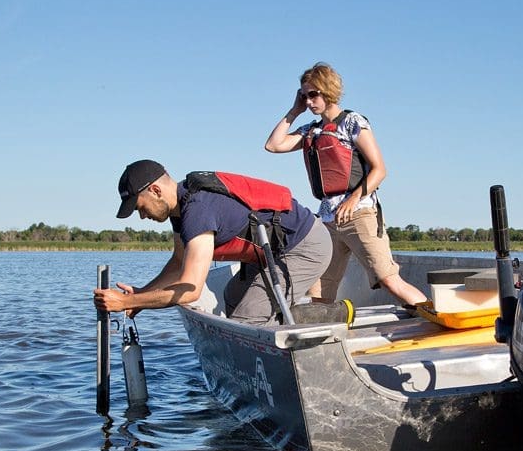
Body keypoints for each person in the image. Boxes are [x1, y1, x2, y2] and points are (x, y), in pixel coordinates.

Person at [93, 160, 336, 325]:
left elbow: (189, 290)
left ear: (156, 191)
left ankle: (325, 320)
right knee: (233, 297)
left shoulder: (197, 211)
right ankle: (285, 319)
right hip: (270, 250)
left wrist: (127, 301)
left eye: (140, 207)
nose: (142, 216)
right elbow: (178, 263)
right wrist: (142, 295)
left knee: (248, 318)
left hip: (304, 244)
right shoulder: (180, 208)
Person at [264, 62, 426, 307]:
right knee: (320, 291)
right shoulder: (311, 131)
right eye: (304, 96)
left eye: (313, 94)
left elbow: (380, 169)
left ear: (328, 90)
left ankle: (435, 316)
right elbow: (273, 145)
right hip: (327, 219)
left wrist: (353, 199)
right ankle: (323, 331)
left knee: (388, 280)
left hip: (359, 213)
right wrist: (294, 111)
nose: (309, 101)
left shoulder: (352, 122)